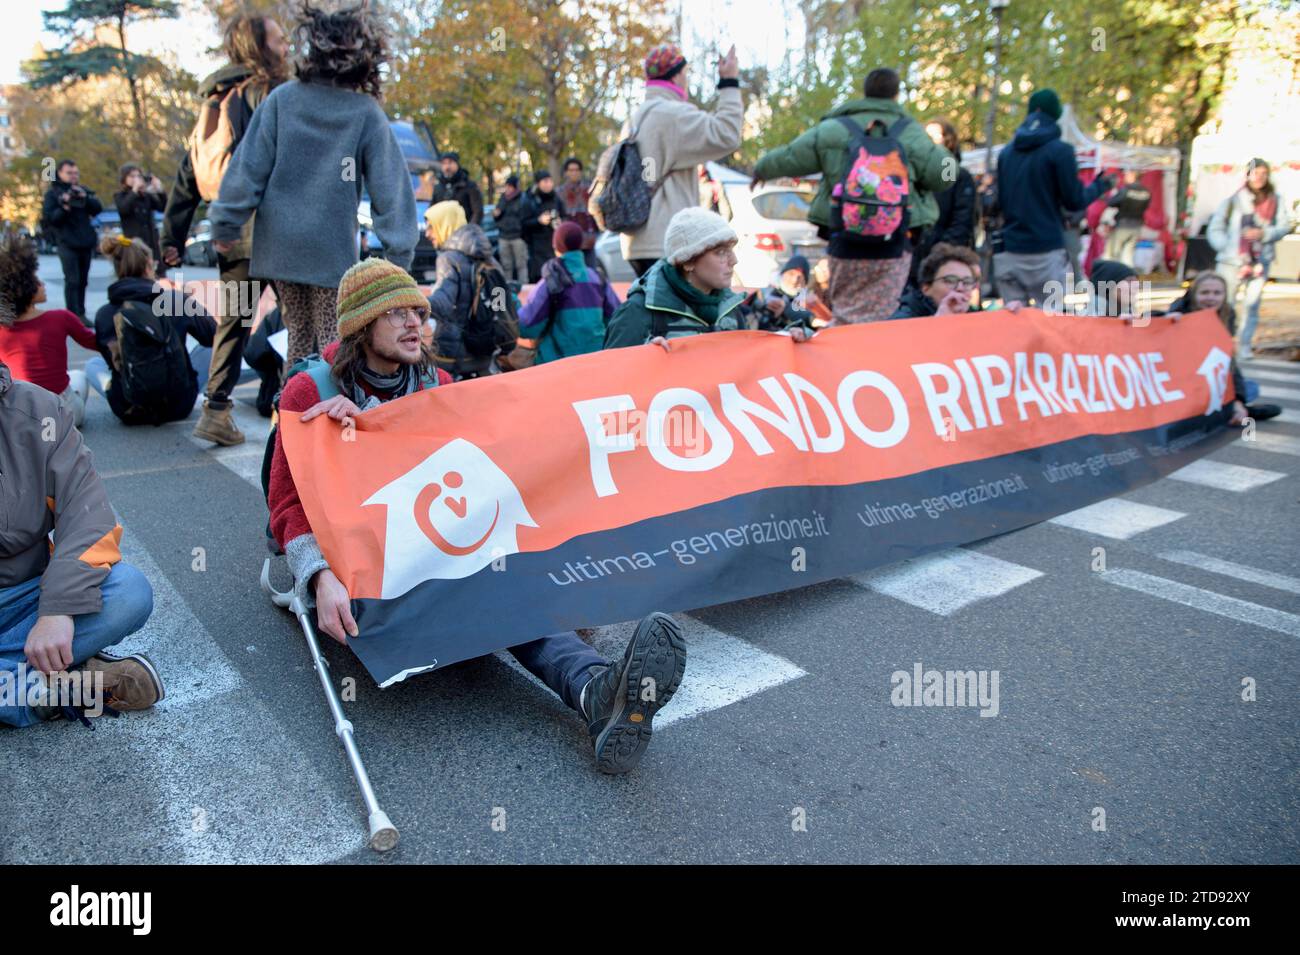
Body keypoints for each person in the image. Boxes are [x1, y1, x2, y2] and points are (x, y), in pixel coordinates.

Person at [267, 259, 687, 773]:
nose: (412, 324)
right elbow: (286, 505)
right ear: (360, 325)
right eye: (394, 313)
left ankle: (596, 692)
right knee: (478, 599)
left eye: (417, 312)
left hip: (434, 541)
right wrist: (319, 576)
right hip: (359, 559)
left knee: (505, 585)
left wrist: (650, 370)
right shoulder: (309, 390)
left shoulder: (438, 381)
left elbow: (535, 411)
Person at [209, 3, 416, 395]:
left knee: (298, 340)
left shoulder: (282, 100)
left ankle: (291, 420)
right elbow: (392, 190)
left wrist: (226, 222)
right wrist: (397, 257)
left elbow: (248, 167)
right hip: (329, 251)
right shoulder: (364, 112)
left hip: (280, 248)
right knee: (332, 345)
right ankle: (327, 431)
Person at [0, 358, 160, 728]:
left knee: (129, 591)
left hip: (23, 596)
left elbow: (88, 518)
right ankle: (49, 689)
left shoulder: (38, 410)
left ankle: (32, 676)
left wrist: (58, 610)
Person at [162, 12, 290, 447]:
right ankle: (293, 409)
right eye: (277, 37)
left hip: (233, 235)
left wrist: (172, 236)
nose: (286, 44)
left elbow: (188, 171)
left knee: (232, 322)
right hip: (275, 229)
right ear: (258, 47)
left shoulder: (216, 100)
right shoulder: (268, 93)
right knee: (297, 319)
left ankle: (216, 409)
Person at [752, 67, 954, 324]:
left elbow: (792, 155)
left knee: (845, 310)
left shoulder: (833, 129)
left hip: (843, 233)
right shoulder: (912, 132)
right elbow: (944, 175)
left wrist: (762, 168)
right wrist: (949, 163)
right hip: (896, 237)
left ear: (865, 92)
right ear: (895, 95)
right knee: (885, 313)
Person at [617, 42, 744, 277]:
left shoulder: (636, 118)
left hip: (637, 240)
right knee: (676, 313)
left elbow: (648, 172)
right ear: (676, 76)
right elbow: (727, 134)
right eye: (685, 73)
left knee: (654, 312)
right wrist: (729, 82)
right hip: (666, 239)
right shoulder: (673, 115)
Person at [605, 207, 811, 348]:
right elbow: (608, 388)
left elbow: (750, 366)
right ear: (687, 261)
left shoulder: (730, 311)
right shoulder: (638, 313)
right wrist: (643, 359)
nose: (734, 260)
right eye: (720, 252)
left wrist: (789, 340)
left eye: (731, 249)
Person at [994, 88, 1112, 308]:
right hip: (1046, 249)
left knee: (1013, 323)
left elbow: (1000, 202)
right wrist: (1099, 186)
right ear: (1055, 114)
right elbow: (1074, 201)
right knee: (1048, 321)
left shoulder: (1006, 153)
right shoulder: (1061, 151)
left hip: (1010, 249)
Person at [87, 234, 217, 425]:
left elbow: (112, 362)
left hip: (129, 406)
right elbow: (212, 336)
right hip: (179, 404)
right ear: (149, 266)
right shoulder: (175, 299)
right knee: (213, 347)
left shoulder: (105, 314)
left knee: (93, 365)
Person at [1157, 270, 1280, 425]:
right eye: (1205, 292)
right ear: (1194, 294)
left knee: (1250, 388)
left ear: (1224, 296)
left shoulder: (1227, 316)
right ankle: (1235, 411)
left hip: (1209, 380)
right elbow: (1149, 319)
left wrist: (1238, 400)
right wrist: (1164, 319)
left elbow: (1228, 361)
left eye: (1217, 293)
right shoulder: (1180, 314)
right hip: (1182, 382)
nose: (1211, 298)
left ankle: (1235, 409)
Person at [0, 232, 96, 426]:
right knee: (80, 375)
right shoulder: (61, 317)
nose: (42, 284)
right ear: (25, 287)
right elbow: (95, 342)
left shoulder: (3, 329)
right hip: (62, 413)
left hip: (22, 415)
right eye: (36, 281)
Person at [1207, 158, 1294, 359]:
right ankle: (1221, 342)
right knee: (1225, 303)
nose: (1259, 178)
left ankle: (1244, 345)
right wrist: (1226, 247)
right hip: (1231, 261)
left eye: (1264, 174)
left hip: (1260, 261)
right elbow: (1216, 227)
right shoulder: (1233, 200)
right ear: (1248, 175)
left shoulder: (1275, 200)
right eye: (1256, 173)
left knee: (1251, 304)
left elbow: (1284, 226)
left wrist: (1264, 234)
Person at [517, 221, 620, 363]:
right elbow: (617, 322)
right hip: (597, 363)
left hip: (558, 365)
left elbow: (527, 328)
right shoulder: (599, 279)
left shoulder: (550, 281)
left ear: (556, 246)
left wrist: (509, 300)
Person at [424, 200, 499, 379]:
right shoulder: (488, 258)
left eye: (431, 227)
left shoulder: (448, 259)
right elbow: (501, 302)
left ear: (445, 224)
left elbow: (443, 303)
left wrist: (415, 304)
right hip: (484, 351)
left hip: (452, 353)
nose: (427, 233)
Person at [912, 118, 977, 279]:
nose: (931, 141)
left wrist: (944, 249)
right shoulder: (916, 173)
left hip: (945, 259)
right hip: (916, 255)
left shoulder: (959, 176)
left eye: (936, 136)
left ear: (949, 140)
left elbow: (963, 219)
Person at [39, 160, 103, 322]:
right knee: (72, 280)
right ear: (60, 173)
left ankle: (81, 313)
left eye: (75, 173)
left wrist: (85, 198)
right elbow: (51, 219)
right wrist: (64, 206)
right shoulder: (53, 194)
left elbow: (97, 208)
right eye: (69, 173)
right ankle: (72, 315)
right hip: (66, 242)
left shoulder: (82, 191)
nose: (73, 176)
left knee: (83, 280)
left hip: (85, 242)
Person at [891, 243, 985, 319]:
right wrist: (939, 320)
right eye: (950, 280)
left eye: (967, 282)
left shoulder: (978, 317)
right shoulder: (907, 315)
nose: (960, 288)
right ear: (926, 288)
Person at [743, 253, 815, 331]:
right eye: (791, 274)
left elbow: (810, 322)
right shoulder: (765, 293)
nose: (794, 280)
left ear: (805, 282)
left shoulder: (807, 301)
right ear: (783, 274)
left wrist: (785, 311)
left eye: (800, 277)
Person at [113, 164, 166, 265]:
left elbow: (162, 207)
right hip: (134, 243)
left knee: (155, 272)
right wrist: (134, 190)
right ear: (124, 178)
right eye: (132, 176)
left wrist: (160, 190)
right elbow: (123, 209)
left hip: (151, 241)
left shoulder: (146, 196)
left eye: (138, 176)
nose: (136, 179)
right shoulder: (120, 196)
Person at [1101, 170, 1152, 267]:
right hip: (1137, 226)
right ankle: (1128, 278)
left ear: (1133, 175)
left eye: (1127, 174)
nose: (1124, 176)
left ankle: (1113, 278)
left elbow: (1112, 202)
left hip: (1123, 225)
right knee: (1128, 256)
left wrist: (1104, 198)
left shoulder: (1126, 190)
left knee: (1113, 253)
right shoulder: (1146, 192)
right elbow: (1147, 206)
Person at [522, 171, 560, 283]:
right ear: (538, 183)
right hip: (537, 249)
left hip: (554, 245)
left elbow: (564, 214)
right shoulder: (529, 200)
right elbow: (523, 224)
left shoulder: (556, 198)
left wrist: (560, 222)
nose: (548, 184)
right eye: (545, 181)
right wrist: (538, 221)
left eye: (550, 181)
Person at [556, 157, 598, 253]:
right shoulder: (559, 192)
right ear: (566, 172)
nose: (574, 173)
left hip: (590, 237)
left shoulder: (590, 188)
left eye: (577, 170)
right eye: (571, 170)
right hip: (570, 239)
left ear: (580, 172)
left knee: (591, 266)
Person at [492, 174, 529, 285]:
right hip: (503, 236)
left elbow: (525, 218)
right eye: (506, 186)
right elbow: (497, 215)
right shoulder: (503, 199)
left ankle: (524, 287)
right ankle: (507, 287)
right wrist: (496, 215)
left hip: (518, 237)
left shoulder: (522, 198)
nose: (507, 189)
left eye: (509, 186)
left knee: (521, 265)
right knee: (506, 265)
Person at [431, 150, 483, 225]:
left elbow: (478, 212)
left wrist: (469, 230)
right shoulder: (438, 187)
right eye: (444, 163)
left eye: (450, 162)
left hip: (463, 232)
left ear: (457, 164)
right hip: (442, 233)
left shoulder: (469, 186)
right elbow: (432, 210)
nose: (447, 166)